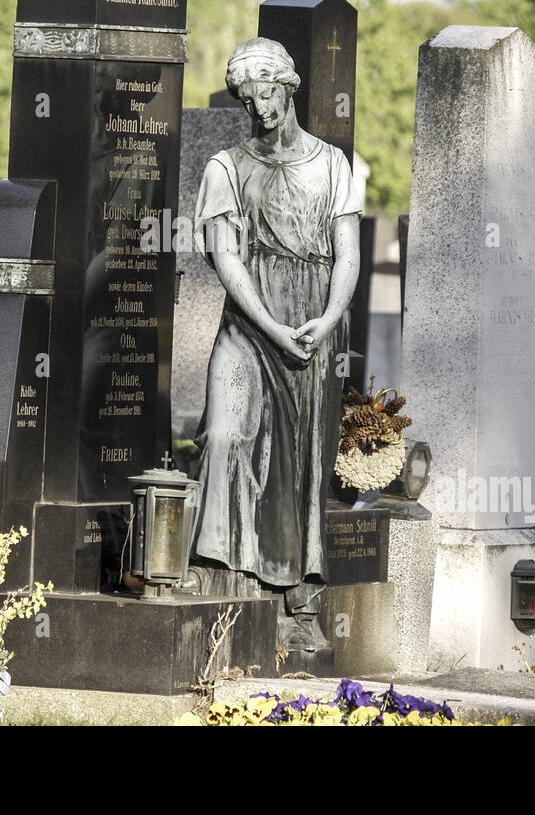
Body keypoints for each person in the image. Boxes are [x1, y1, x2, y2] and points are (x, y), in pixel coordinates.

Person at [191, 37, 361, 650]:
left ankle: (297, 606)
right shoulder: (225, 168)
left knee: (298, 461)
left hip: (312, 322)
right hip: (250, 320)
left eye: (268, 94)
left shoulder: (333, 165)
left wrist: (329, 316)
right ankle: (213, 577)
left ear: (289, 90)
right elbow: (227, 260)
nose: (259, 109)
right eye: (248, 99)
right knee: (223, 433)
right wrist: (269, 325)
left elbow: (348, 256)